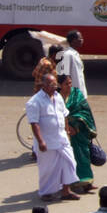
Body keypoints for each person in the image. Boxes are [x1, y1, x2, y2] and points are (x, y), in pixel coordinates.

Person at [28, 73, 79, 201]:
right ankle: (46, 193)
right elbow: (34, 123)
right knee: (48, 169)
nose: (54, 87)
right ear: (43, 85)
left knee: (70, 163)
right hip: (47, 141)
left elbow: (64, 114)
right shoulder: (35, 102)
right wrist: (40, 141)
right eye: (51, 85)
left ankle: (66, 191)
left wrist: (67, 130)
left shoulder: (58, 97)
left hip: (61, 138)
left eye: (55, 84)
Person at [57, 73, 96, 195]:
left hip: (79, 132)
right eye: (66, 84)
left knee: (84, 156)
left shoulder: (76, 94)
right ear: (60, 85)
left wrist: (75, 124)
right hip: (64, 134)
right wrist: (67, 126)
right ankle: (71, 184)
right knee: (69, 160)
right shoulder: (57, 97)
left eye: (70, 83)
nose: (69, 86)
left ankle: (87, 182)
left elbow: (84, 111)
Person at [56, 30, 88, 97]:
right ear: (73, 40)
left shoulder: (75, 54)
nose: (82, 40)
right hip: (73, 94)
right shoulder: (68, 55)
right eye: (80, 38)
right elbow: (64, 75)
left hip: (80, 92)